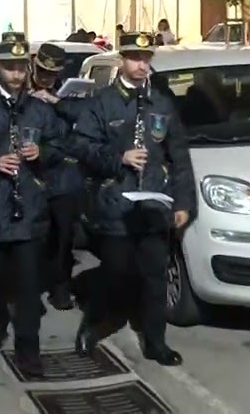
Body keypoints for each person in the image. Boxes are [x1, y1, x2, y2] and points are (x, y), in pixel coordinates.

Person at [72, 31, 195, 366]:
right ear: (122, 60)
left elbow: (179, 156)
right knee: (116, 272)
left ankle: (155, 342)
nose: (141, 65)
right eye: (134, 59)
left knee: (154, 277)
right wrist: (119, 158)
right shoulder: (102, 102)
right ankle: (93, 325)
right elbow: (82, 147)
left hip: (153, 205)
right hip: (117, 204)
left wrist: (183, 203)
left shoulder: (161, 103)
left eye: (146, 59)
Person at [0, 39, 62, 376]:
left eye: (21, 68)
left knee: (29, 286)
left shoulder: (40, 109)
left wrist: (43, 153)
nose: (17, 74)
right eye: (10, 67)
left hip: (30, 208)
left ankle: (29, 350)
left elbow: (61, 147)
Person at [28, 43, 89, 310]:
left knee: (63, 235)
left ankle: (60, 287)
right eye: (42, 72)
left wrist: (56, 101)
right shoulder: (22, 89)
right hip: (32, 172)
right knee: (33, 237)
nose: (45, 78)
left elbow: (85, 116)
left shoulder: (69, 92)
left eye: (51, 74)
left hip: (63, 175)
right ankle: (30, 286)